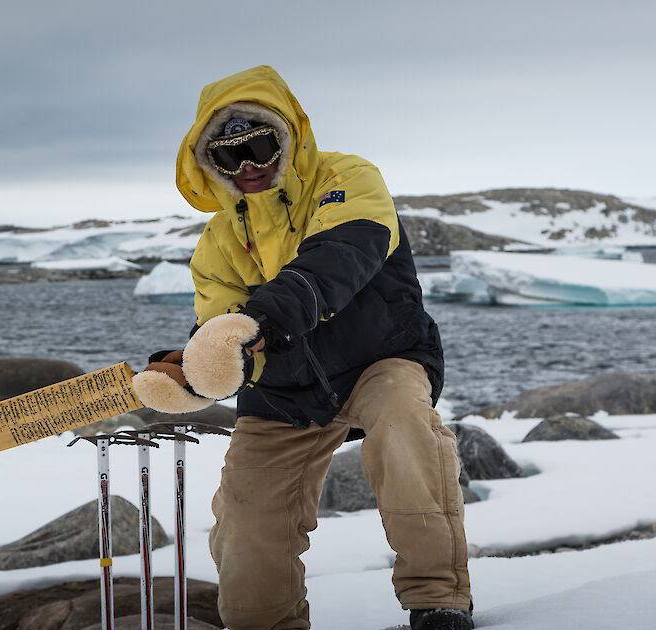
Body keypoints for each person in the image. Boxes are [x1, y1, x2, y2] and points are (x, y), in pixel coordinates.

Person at [132, 65, 473, 630]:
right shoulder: (217, 245)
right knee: (245, 519)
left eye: (261, 146)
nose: (250, 168)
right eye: (228, 158)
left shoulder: (348, 178)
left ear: (286, 137)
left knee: (404, 426)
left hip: (380, 358)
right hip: (285, 390)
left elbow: (340, 260)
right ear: (208, 167)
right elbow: (227, 335)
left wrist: (251, 324)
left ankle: (437, 601)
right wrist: (197, 371)